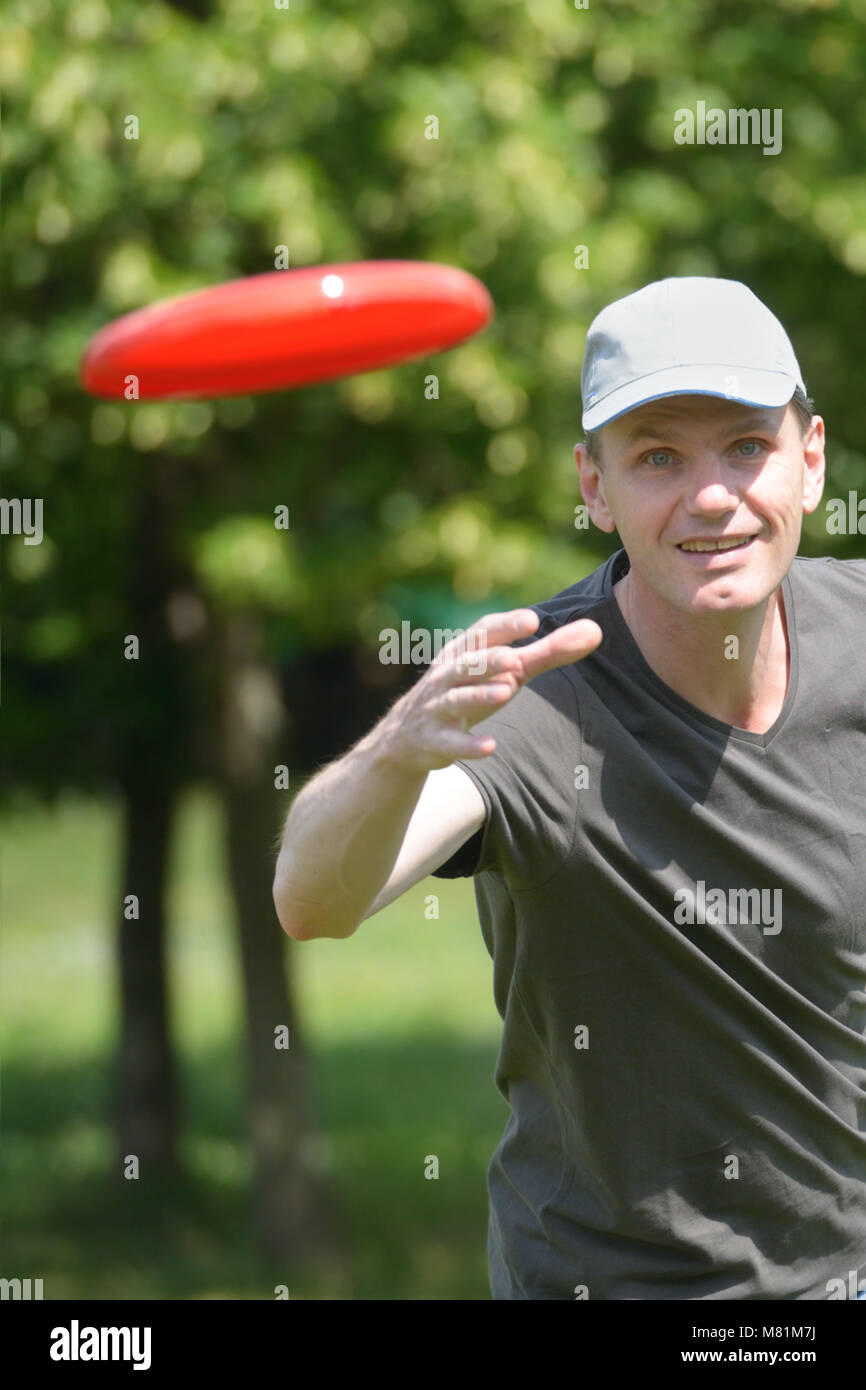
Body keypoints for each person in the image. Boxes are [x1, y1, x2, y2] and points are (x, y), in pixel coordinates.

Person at [272, 276, 866, 1300]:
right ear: (591, 486)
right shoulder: (534, 699)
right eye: (656, 459)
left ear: (808, 462)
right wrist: (396, 750)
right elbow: (311, 900)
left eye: (744, 447)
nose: (711, 494)